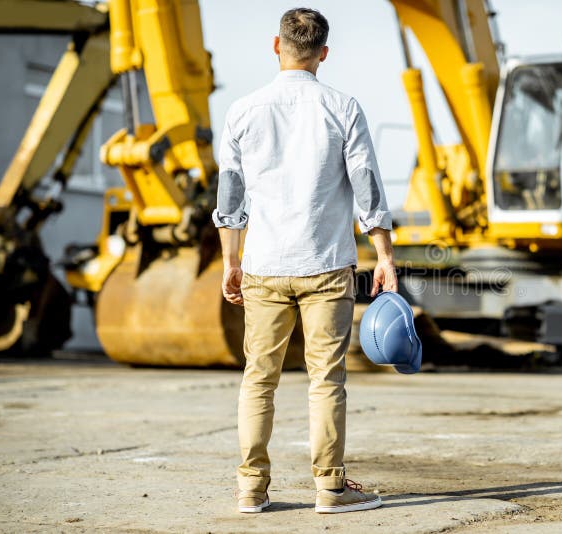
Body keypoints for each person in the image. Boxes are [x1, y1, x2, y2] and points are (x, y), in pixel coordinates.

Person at [213, 7, 396, 514]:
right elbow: (367, 189)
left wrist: (232, 262)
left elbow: (230, 201)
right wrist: (384, 256)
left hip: (263, 266)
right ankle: (330, 489)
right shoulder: (343, 107)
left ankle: (251, 488)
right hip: (326, 264)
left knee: (259, 378)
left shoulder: (243, 111)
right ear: (323, 53)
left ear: (277, 47)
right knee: (326, 379)